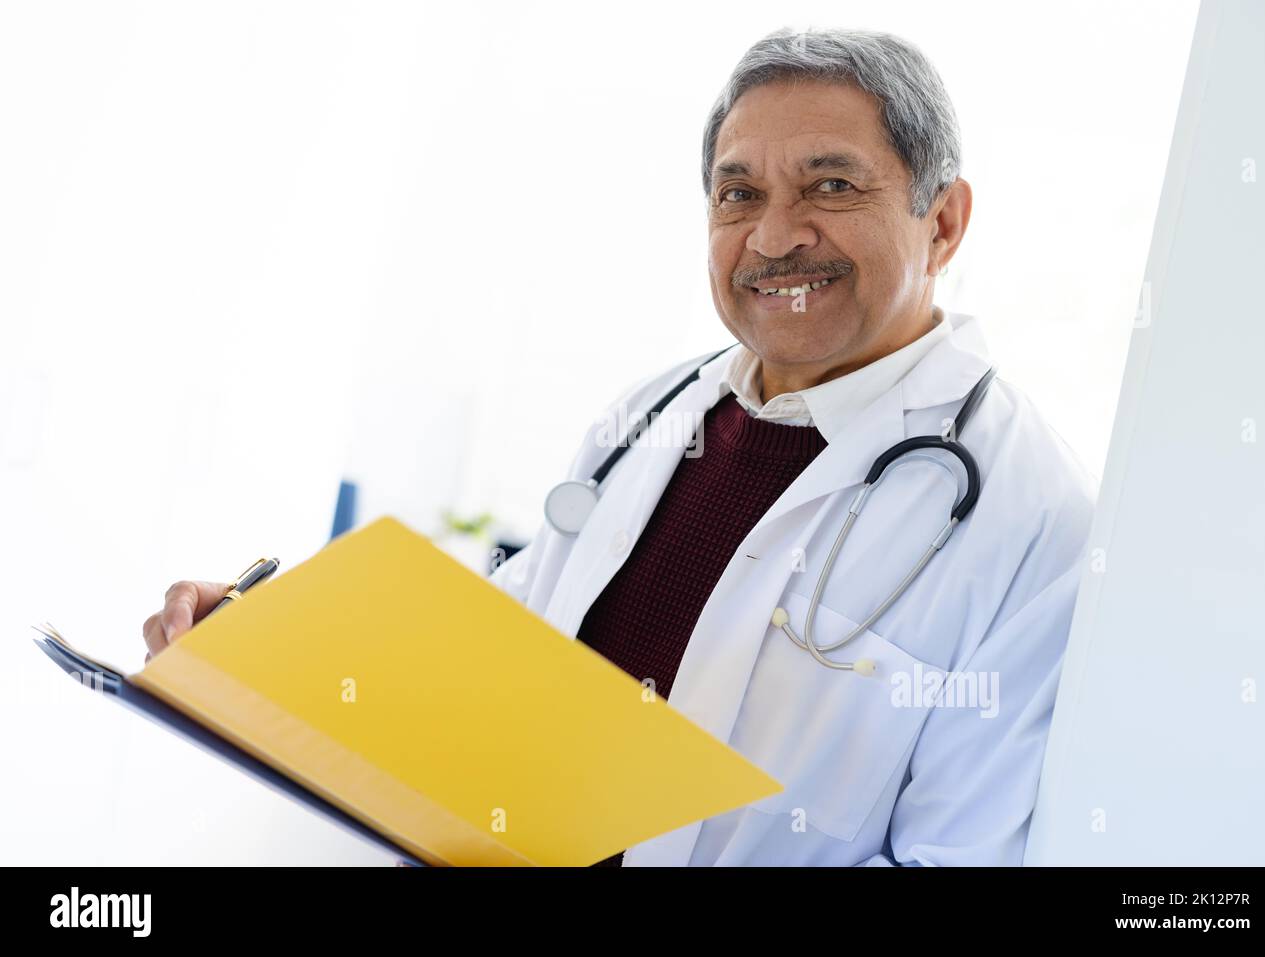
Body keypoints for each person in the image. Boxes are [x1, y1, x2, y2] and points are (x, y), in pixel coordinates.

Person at [143, 28, 1096, 866]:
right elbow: (513, 649)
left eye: (831, 184)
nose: (772, 235)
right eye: (738, 192)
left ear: (945, 221)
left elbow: (958, 858)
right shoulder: (654, 412)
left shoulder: (1032, 520)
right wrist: (272, 640)